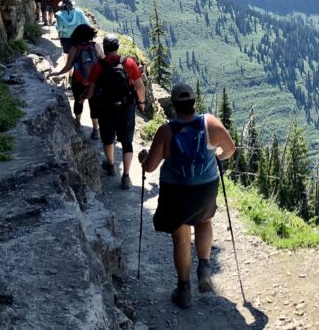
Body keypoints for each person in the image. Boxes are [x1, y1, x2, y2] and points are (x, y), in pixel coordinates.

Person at [139, 84, 236, 309]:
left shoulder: (166, 131)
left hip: (177, 191)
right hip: (205, 188)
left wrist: (143, 158)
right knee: (204, 221)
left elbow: (150, 168)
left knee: (181, 237)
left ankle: (184, 290)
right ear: (194, 103)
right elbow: (230, 149)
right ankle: (204, 266)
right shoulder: (210, 123)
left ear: (174, 106)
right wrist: (215, 158)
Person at [84, 34, 147, 190]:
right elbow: (139, 86)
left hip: (107, 108)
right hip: (126, 107)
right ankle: (126, 177)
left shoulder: (99, 66)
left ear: (104, 48)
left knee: (108, 139)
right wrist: (142, 102)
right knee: (127, 142)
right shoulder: (129, 63)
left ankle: (111, 166)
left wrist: (81, 97)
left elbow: (91, 91)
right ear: (117, 47)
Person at [52, 23, 103, 138]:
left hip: (78, 80)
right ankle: (95, 130)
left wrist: (58, 73)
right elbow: (103, 62)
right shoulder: (96, 46)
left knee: (78, 101)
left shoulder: (74, 48)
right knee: (94, 104)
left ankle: (78, 123)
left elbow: (68, 66)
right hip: (94, 81)